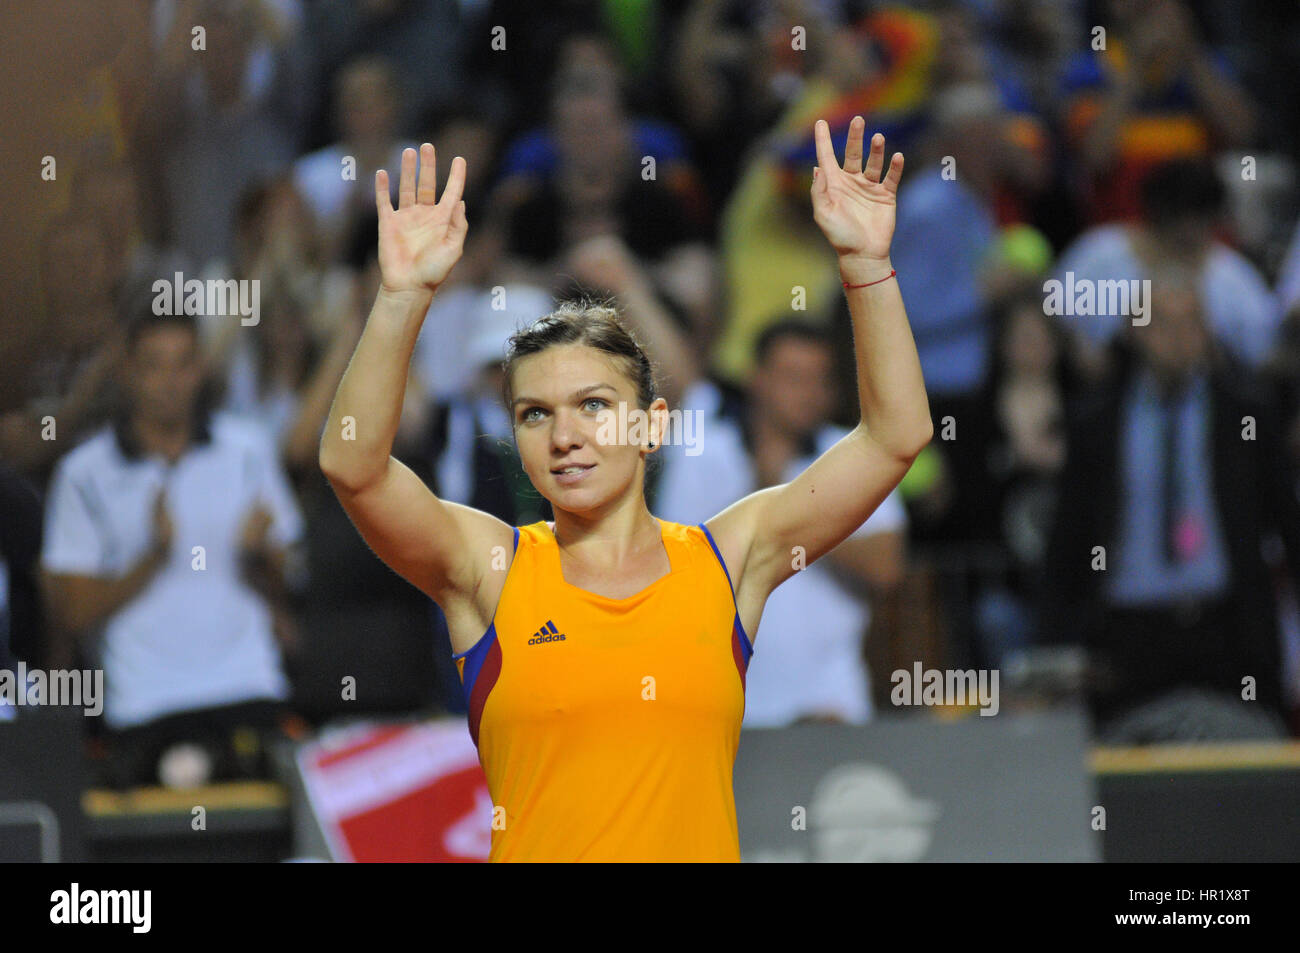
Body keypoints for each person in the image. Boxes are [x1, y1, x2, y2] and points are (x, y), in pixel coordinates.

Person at [319, 120, 933, 861]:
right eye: (534, 414)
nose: (564, 434)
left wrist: (866, 263)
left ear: (652, 427)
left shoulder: (728, 557)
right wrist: (401, 296)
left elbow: (895, 436)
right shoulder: (490, 566)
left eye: (594, 405)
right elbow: (354, 465)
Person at [39, 307, 306, 786]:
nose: (170, 381)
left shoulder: (248, 450)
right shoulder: (84, 473)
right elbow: (70, 613)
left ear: (202, 367)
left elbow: (292, 590)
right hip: (143, 705)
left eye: (183, 364)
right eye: (154, 364)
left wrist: (258, 558)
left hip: (248, 690)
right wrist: (152, 559)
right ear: (127, 370)